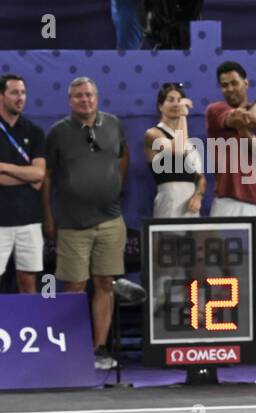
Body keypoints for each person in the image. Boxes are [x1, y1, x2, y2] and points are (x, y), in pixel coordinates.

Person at [42, 76, 127, 370]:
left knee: (105, 283)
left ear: (97, 97)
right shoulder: (57, 133)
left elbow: (121, 159)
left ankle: (100, 348)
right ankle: (74, 351)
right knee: (75, 285)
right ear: (70, 101)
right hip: (72, 225)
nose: (85, 100)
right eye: (78, 96)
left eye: (89, 95)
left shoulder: (114, 124)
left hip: (111, 221)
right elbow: (47, 176)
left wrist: (112, 188)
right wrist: (49, 216)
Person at [205, 60, 256, 364]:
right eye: (224, 84)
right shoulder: (215, 111)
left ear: (246, 82)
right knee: (223, 276)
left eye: (234, 83)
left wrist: (248, 132)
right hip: (227, 202)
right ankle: (224, 342)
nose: (230, 89)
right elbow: (245, 118)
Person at [0, 74, 46, 294]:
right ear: (1, 96)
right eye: (14, 93)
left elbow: (39, 174)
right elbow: (32, 176)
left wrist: (3, 167)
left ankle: (31, 325)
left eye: (23, 92)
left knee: (28, 280)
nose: (21, 98)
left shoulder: (34, 131)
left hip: (29, 220)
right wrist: (26, 176)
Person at [143, 82, 205, 218]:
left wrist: (198, 196)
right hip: (168, 204)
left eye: (179, 101)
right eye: (170, 100)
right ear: (160, 106)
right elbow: (177, 151)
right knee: (168, 239)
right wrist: (183, 116)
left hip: (191, 208)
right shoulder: (152, 134)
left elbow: (200, 178)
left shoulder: (188, 141)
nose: (176, 105)